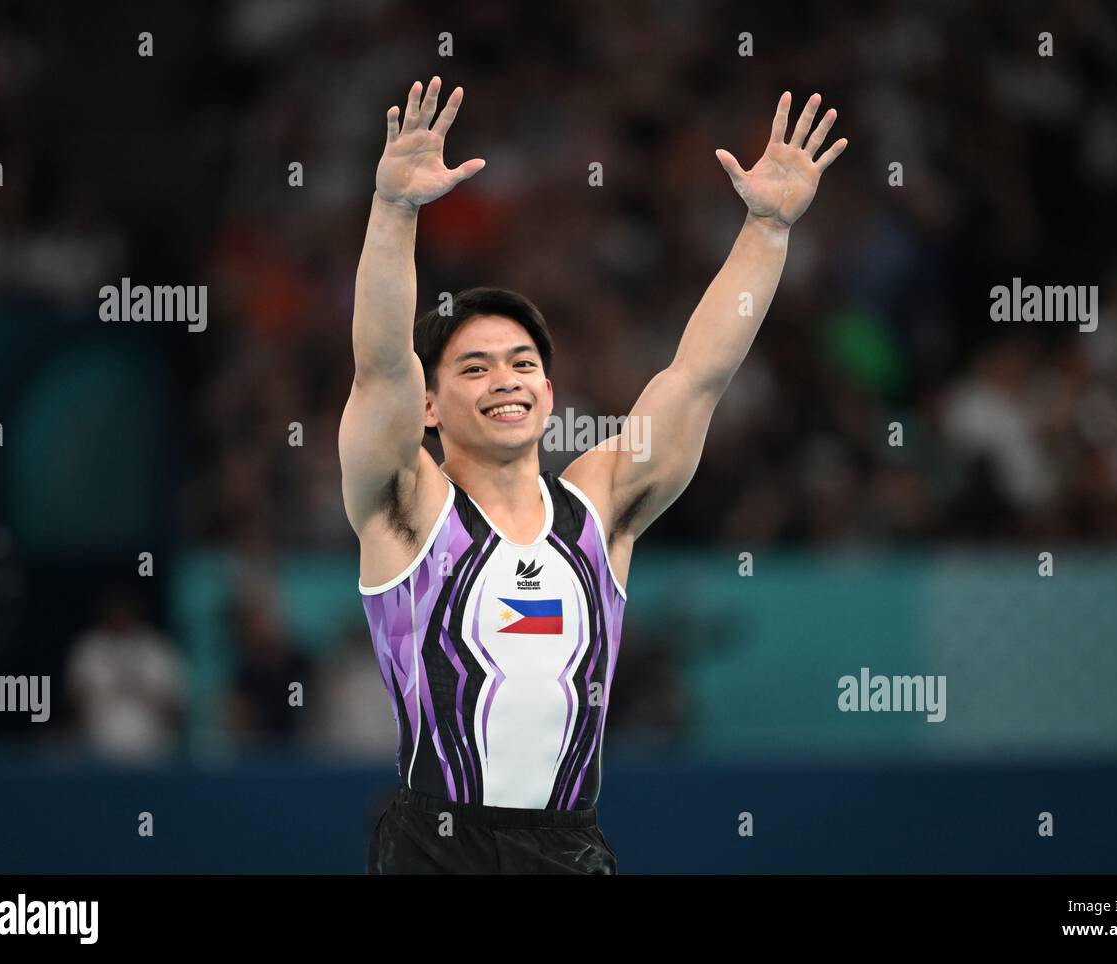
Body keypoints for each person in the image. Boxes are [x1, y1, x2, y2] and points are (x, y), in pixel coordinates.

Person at [342, 76, 847, 874]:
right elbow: (378, 370)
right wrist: (395, 211)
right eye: (475, 367)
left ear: (549, 391)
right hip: (434, 848)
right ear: (431, 407)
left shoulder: (599, 509)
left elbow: (696, 376)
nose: (506, 379)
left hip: (569, 849)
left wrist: (767, 230)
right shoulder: (408, 509)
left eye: (523, 364)